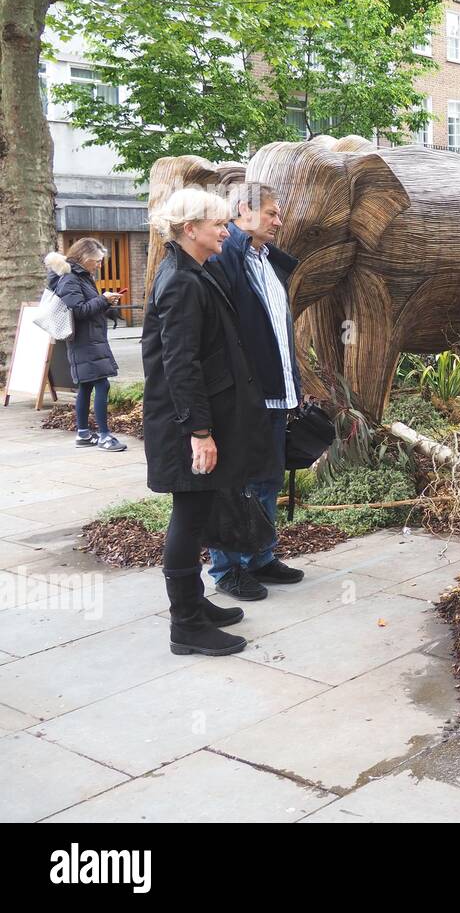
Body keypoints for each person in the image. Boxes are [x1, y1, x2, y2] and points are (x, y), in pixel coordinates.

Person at [141, 188, 272, 656]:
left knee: (197, 517)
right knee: (189, 517)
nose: (226, 229)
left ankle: (195, 605)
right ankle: (187, 626)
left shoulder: (193, 270)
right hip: (185, 427)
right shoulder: (180, 280)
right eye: (217, 223)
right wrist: (199, 432)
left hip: (198, 419)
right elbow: (181, 365)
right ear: (189, 228)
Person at [207, 182, 306, 600]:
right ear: (245, 213)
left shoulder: (268, 261)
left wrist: (296, 386)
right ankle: (226, 569)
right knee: (233, 484)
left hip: (277, 394)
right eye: (272, 213)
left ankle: (261, 557)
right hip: (244, 398)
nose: (280, 221)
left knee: (267, 482)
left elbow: (279, 332)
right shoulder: (227, 258)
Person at [44, 239, 128, 452]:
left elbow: (88, 307)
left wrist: (106, 303)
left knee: (86, 386)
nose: (100, 265)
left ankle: (83, 434)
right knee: (101, 385)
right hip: (85, 341)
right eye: (97, 261)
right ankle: (104, 436)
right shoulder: (71, 278)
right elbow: (79, 311)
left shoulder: (80, 276)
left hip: (89, 339)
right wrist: (103, 300)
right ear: (84, 258)